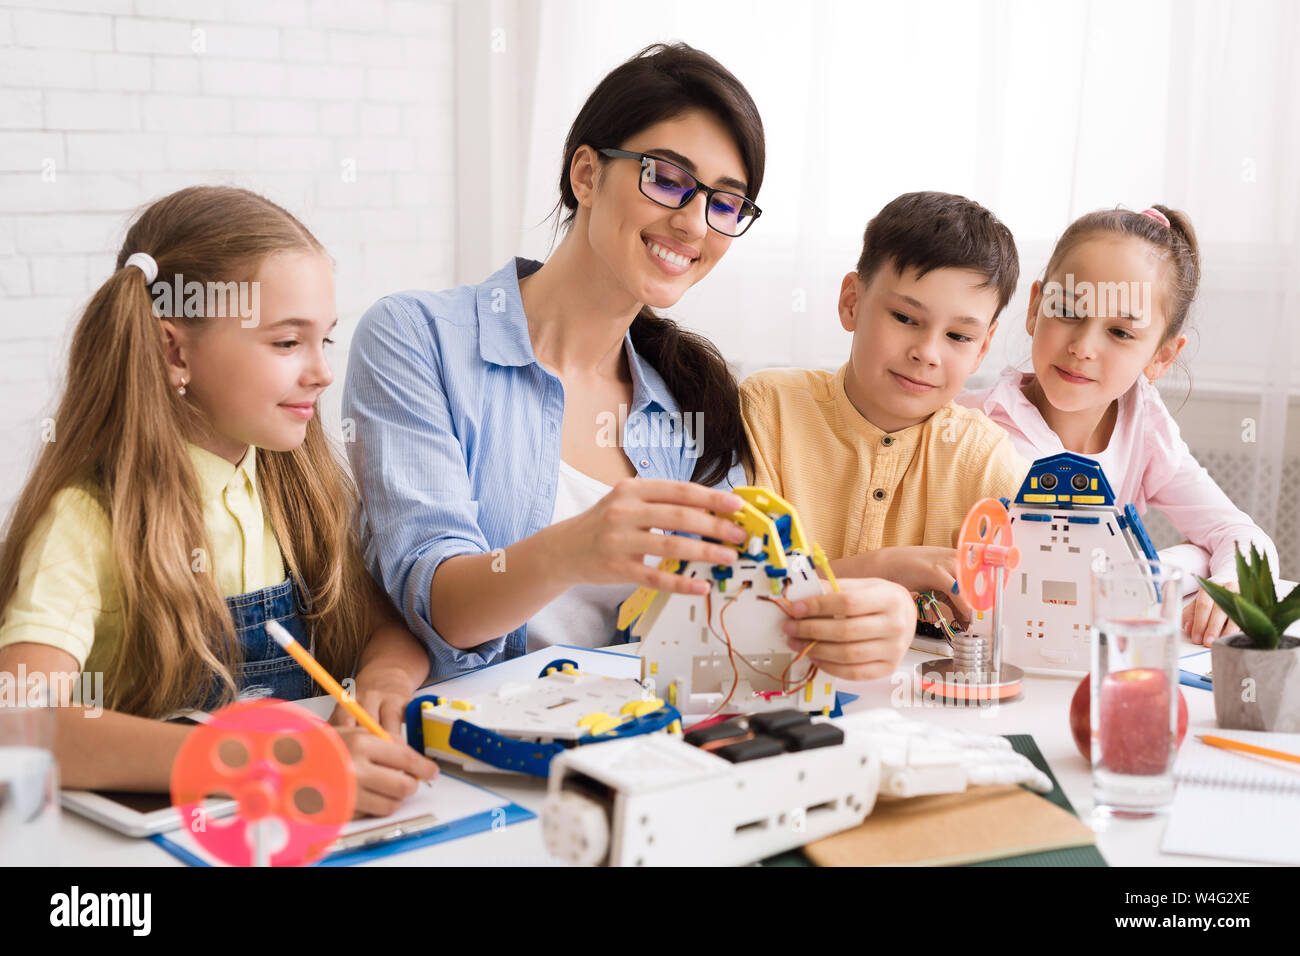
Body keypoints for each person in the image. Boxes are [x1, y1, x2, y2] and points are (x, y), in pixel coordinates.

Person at [344, 43, 915, 685]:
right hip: (465, 758)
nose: (694, 223)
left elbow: (735, 616)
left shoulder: (690, 396)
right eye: (667, 178)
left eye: (725, 204)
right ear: (585, 174)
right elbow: (434, 606)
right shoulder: (416, 338)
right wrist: (573, 548)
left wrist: (876, 608)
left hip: (642, 750)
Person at [0, 186, 437, 813]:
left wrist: (381, 689)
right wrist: (272, 761)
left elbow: (383, 630)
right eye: (288, 343)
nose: (322, 372)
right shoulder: (88, 516)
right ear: (175, 350)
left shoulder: (295, 487)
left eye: (325, 341)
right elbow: (25, 723)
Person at [958, 205, 1278, 644]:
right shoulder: (973, 424)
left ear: (1162, 356)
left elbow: (1237, 535)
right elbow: (1058, 584)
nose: (1083, 346)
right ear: (1035, 307)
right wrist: (1186, 561)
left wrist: (1231, 583)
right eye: (1068, 310)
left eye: (1121, 333)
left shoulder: (1142, 425)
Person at [741, 191, 1030, 624]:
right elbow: (733, 598)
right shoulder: (769, 410)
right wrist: (881, 571)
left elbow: (1039, 602)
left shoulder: (984, 457)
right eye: (905, 318)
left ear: (982, 348)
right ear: (852, 301)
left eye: (958, 337)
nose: (927, 353)